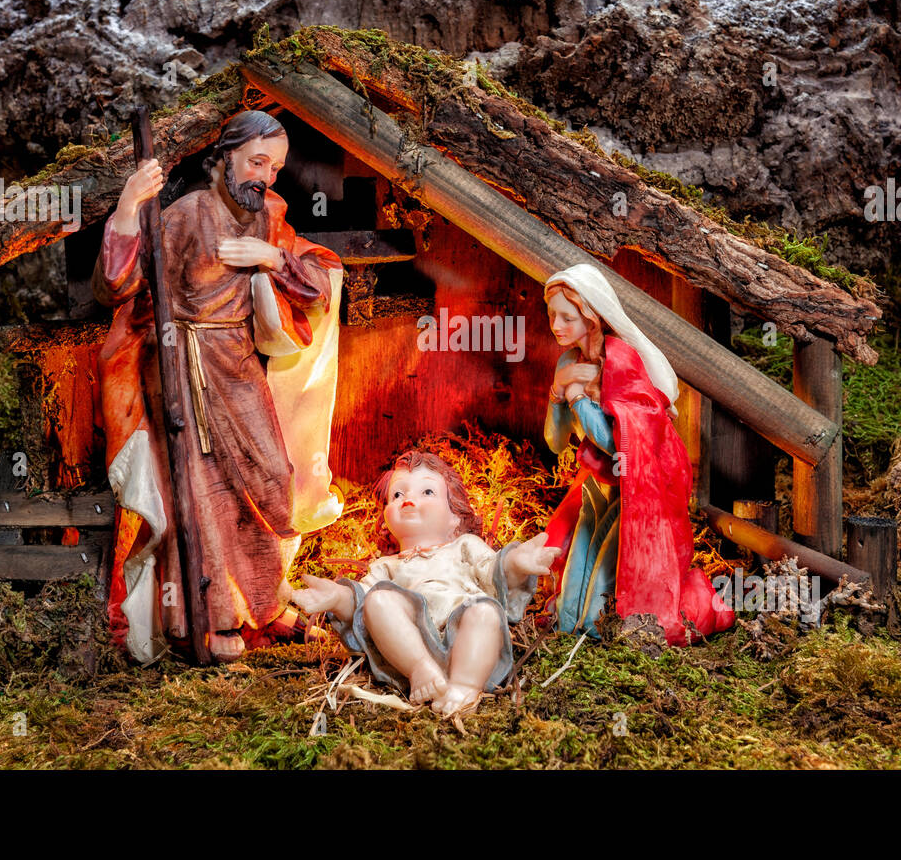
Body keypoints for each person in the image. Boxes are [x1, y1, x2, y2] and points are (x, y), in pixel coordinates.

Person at [94, 110, 344, 663]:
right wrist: (127, 207)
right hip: (182, 365)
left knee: (271, 477)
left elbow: (320, 280)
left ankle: (266, 600)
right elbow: (118, 285)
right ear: (225, 155)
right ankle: (211, 620)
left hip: (236, 360)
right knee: (199, 493)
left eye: (276, 167)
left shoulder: (269, 217)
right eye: (257, 162)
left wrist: (273, 257)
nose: (267, 177)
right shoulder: (185, 213)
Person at [541, 263, 735, 646]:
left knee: (601, 581)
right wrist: (556, 393)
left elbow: (618, 444)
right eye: (551, 316)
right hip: (600, 483)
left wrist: (577, 396)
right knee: (571, 584)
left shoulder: (622, 360)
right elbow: (555, 441)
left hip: (642, 484)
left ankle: (606, 635)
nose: (557, 325)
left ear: (592, 316)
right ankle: (570, 635)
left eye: (567, 316)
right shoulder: (567, 364)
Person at [292, 451, 559, 715]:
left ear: (455, 514)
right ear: (386, 519)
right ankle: (421, 668)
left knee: (485, 611)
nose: (408, 500)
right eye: (397, 495)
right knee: (377, 599)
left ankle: (464, 686)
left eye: (427, 492)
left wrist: (514, 562)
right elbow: (362, 605)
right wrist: (337, 597)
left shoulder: (465, 546)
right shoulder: (386, 565)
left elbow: (492, 574)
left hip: (467, 638)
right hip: (410, 644)